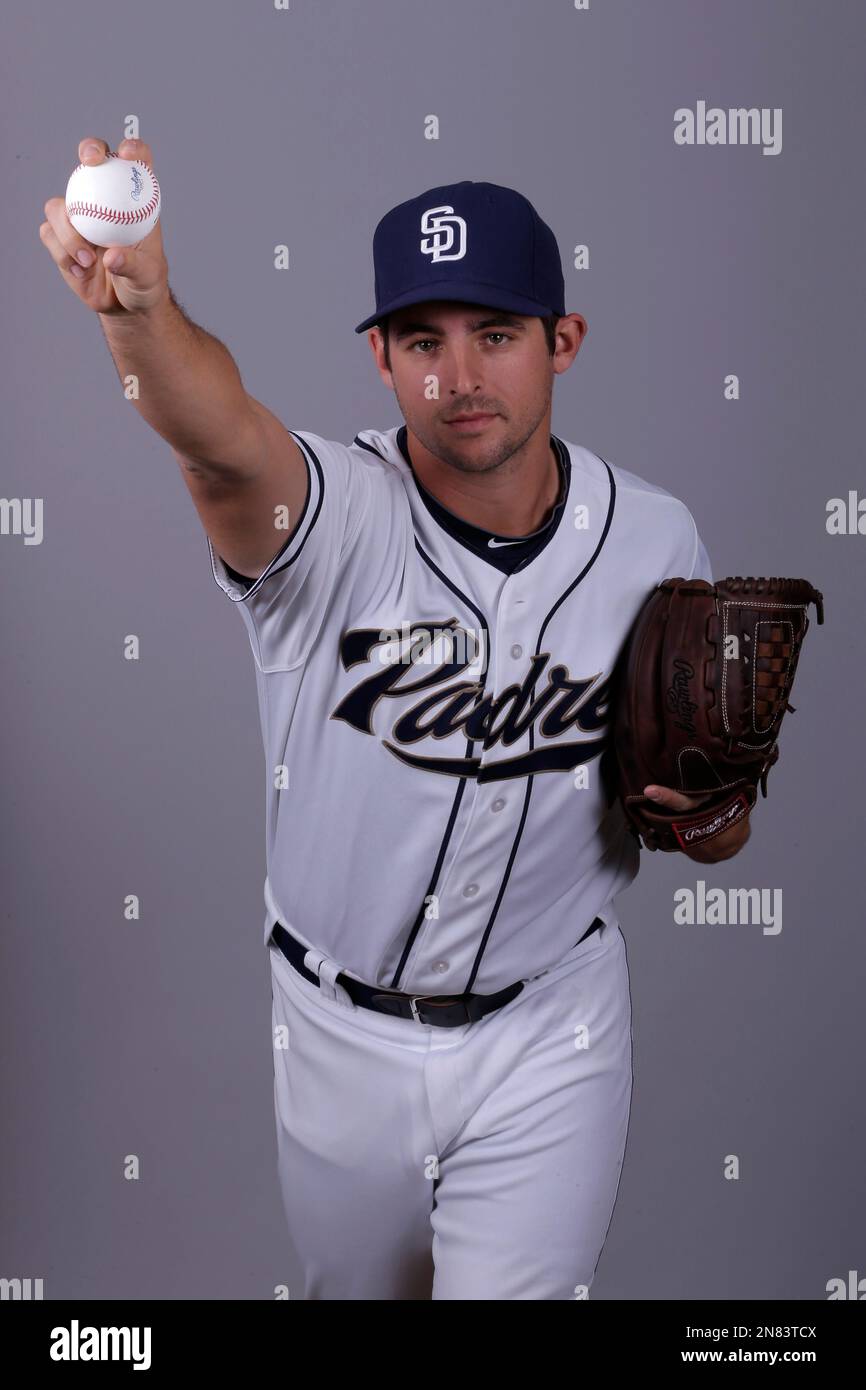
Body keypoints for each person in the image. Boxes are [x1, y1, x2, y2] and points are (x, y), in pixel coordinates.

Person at [40, 139, 749, 1301]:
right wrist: (142, 316)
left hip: (550, 1029)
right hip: (337, 1036)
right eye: (422, 340)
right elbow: (218, 442)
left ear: (560, 342)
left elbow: (711, 824)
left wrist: (710, 818)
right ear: (378, 356)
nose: (457, 375)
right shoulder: (334, 521)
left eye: (496, 333)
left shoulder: (656, 542)